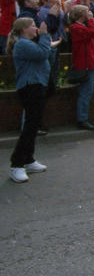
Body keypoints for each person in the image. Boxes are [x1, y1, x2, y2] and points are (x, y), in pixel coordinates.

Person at [7, 17, 51, 183]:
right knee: (30, 125)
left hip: (36, 85)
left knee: (34, 124)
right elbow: (42, 53)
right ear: (24, 29)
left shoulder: (27, 43)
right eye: (33, 26)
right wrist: (45, 36)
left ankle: (28, 159)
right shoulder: (22, 44)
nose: (36, 28)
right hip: (30, 86)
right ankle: (16, 164)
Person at [69, 5, 94, 131]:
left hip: (90, 62)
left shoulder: (84, 26)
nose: (89, 13)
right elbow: (93, 33)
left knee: (88, 92)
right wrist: (92, 20)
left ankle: (84, 117)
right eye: (87, 11)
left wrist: (91, 22)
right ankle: (82, 119)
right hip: (84, 64)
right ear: (80, 13)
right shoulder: (75, 27)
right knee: (85, 92)